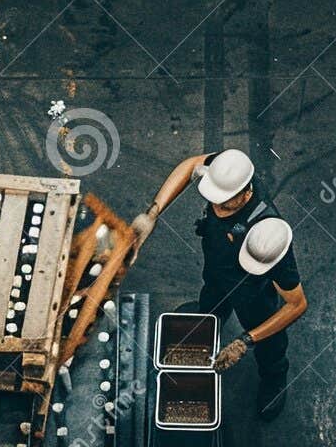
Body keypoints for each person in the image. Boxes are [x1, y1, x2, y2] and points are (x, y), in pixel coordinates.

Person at [131, 148, 307, 420]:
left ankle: (274, 377)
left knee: (270, 345)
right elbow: (190, 164)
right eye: (214, 202)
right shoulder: (231, 171)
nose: (217, 210)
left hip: (253, 294)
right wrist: (152, 214)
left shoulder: (269, 237)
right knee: (208, 311)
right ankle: (209, 329)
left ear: (245, 193)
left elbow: (296, 305)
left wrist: (246, 340)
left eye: (224, 205)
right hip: (216, 274)